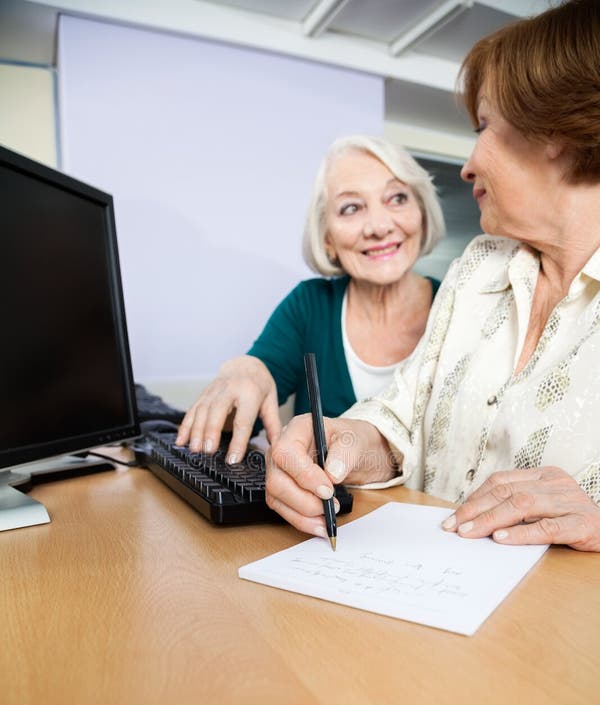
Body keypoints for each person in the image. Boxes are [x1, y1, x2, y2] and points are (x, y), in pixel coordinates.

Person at [265, 0, 600, 553]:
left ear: (554, 129)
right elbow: (400, 422)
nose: (467, 165)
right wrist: (347, 439)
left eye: (484, 126)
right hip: (428, 597)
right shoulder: (477, 267)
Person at [176, 135, 445, 463]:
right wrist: (245, 373)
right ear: (328, 238)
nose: (378, 226)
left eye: (397, 198)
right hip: (322, 512)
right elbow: (242, 416)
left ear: (422, 213)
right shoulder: (310, 305)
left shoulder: (458, 304)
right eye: (351, 208)